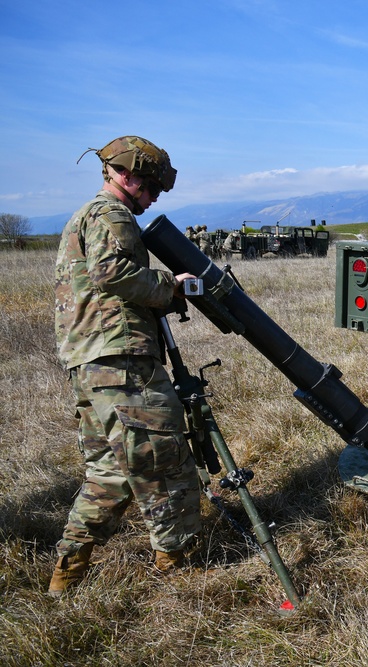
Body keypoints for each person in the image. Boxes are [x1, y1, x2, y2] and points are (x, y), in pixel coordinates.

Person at [49, 135, 203, 597]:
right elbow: (112, 274)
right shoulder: (111, 214)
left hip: (90, 363)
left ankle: (67, 572)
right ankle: (177, 566)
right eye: (152, 187)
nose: (153, 197)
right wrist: (170, 285)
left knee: (109, 474)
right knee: (166, 458)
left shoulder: (85, 216)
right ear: (128, 176)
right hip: (121, 361)